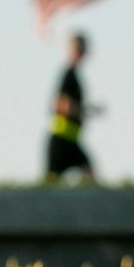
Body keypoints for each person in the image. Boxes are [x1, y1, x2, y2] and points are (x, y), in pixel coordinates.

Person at [44, 32, 99, 182]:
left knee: (90, 174)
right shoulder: (69, 74)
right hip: (61, 140)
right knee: (51, 183)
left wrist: (87, 110)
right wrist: (83, 111)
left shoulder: (74, 74)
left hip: (72, 139)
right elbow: (60, 104)